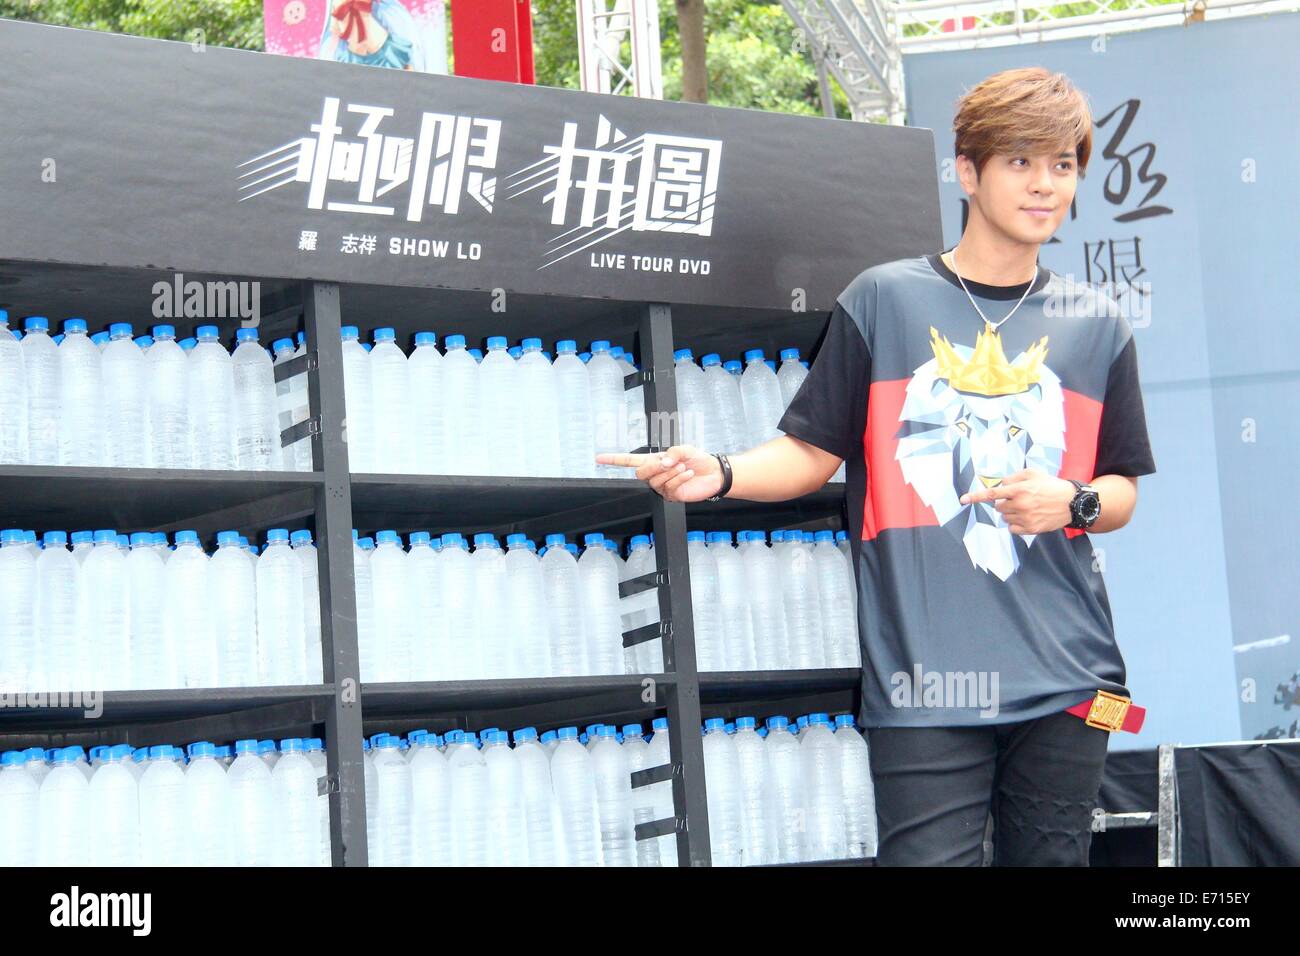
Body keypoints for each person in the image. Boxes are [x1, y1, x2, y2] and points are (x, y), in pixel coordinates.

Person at [597, 67, 1157, 866]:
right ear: (968, 171)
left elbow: (1123, 489)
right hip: (925, 683)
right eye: (1022, 163)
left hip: (1075, 680)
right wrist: (717, 471)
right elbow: (808, 453)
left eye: (1063, 165)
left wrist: (1073, 502)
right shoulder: (883, 302)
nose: (1045, 186)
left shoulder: (1095, 325)